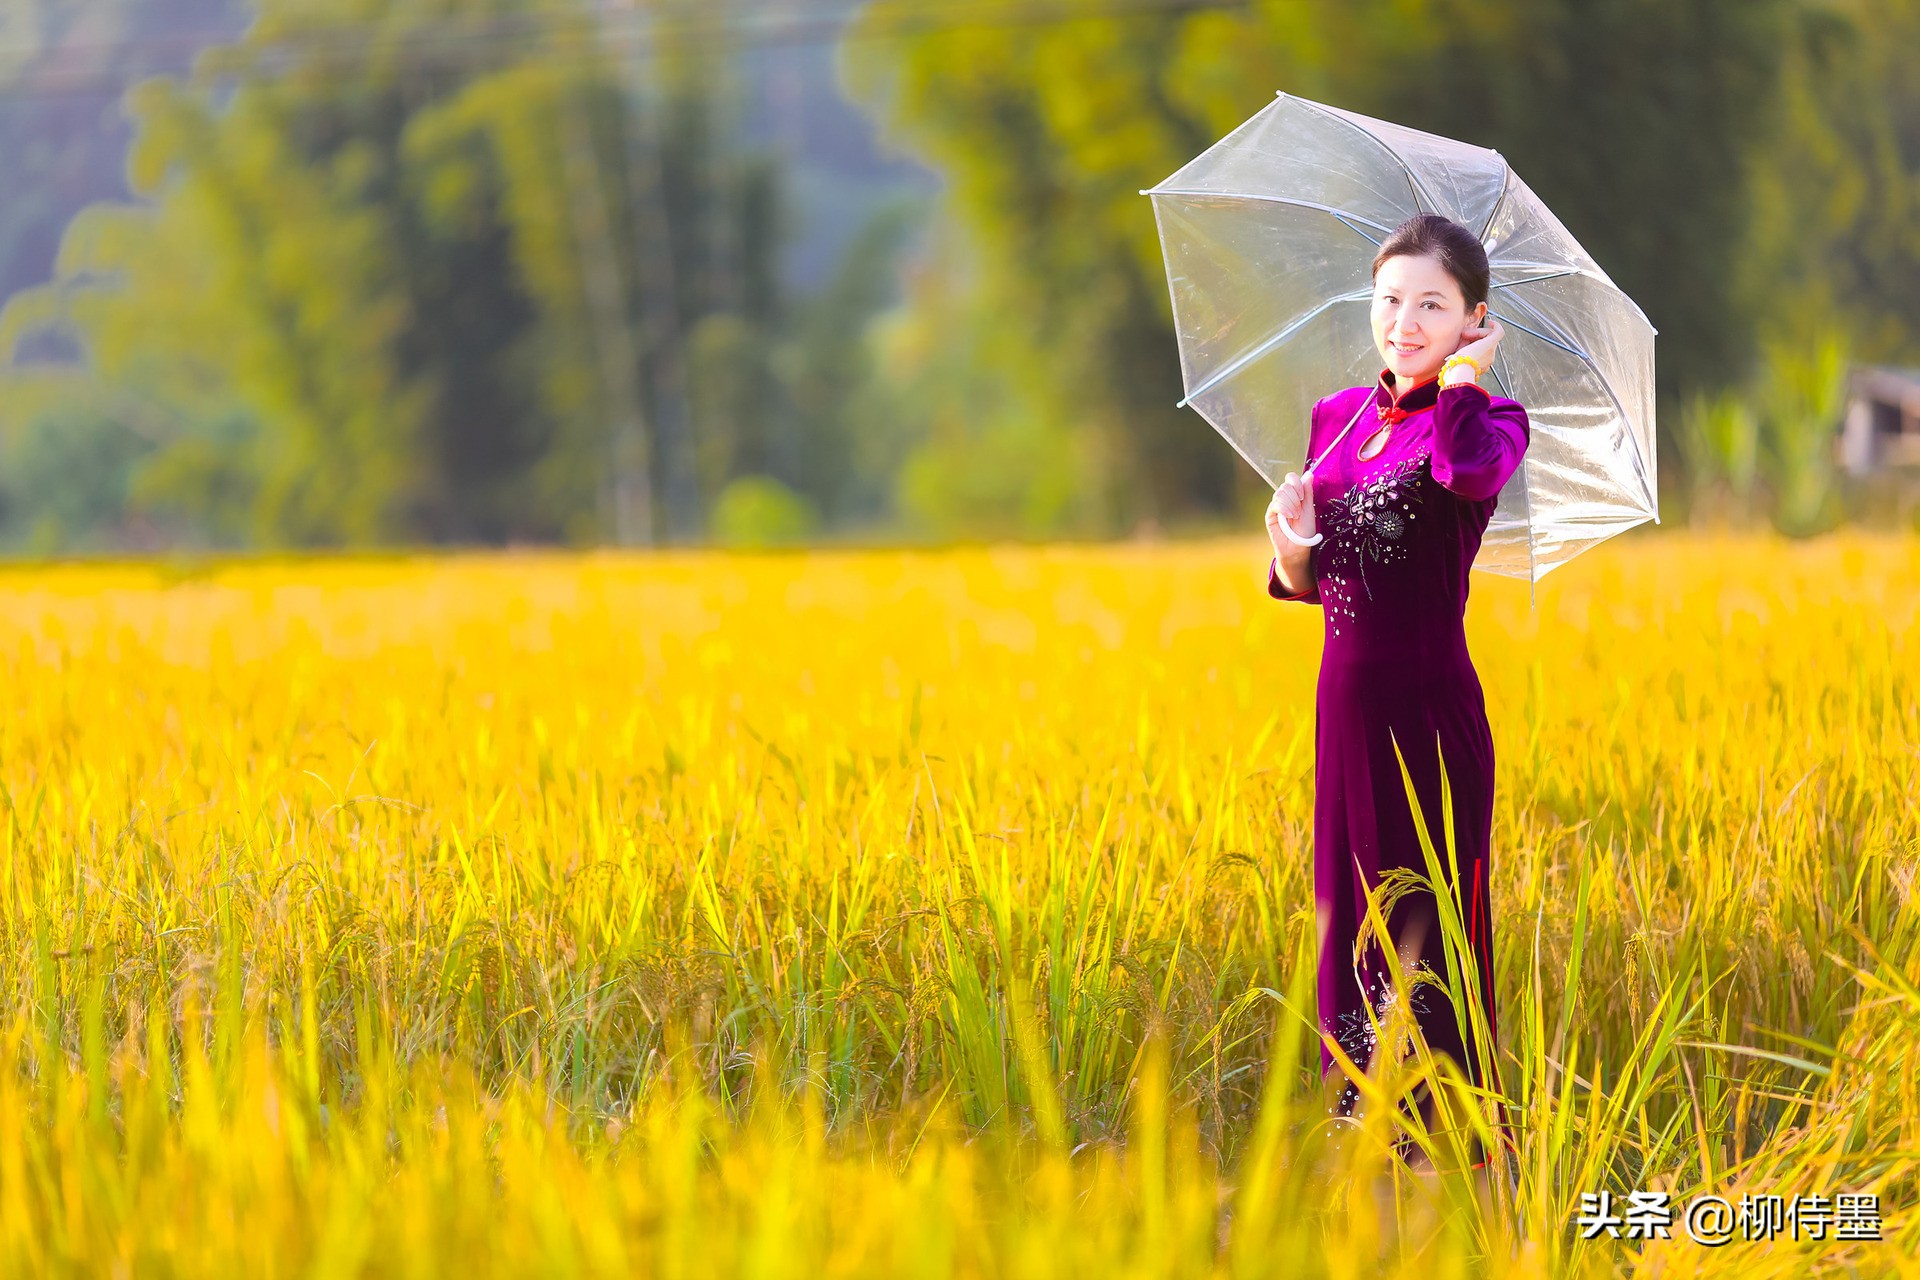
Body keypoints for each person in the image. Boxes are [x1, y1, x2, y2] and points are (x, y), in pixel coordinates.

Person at [1265, 212, 1526, 1182]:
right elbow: (1319, 584)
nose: (1404, 322)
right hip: (1345, 716)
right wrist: (1292, 540)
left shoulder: (1489, 422)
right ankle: (1365, 1140)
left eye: (1432, 305)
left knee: (1427, 930)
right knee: (1349, 926)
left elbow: (1462, 474)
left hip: (1429, 717)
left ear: (1473, 319)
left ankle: (1449, 1159)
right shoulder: (1339, 419)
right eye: (1389, 300)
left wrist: (1463, 381)